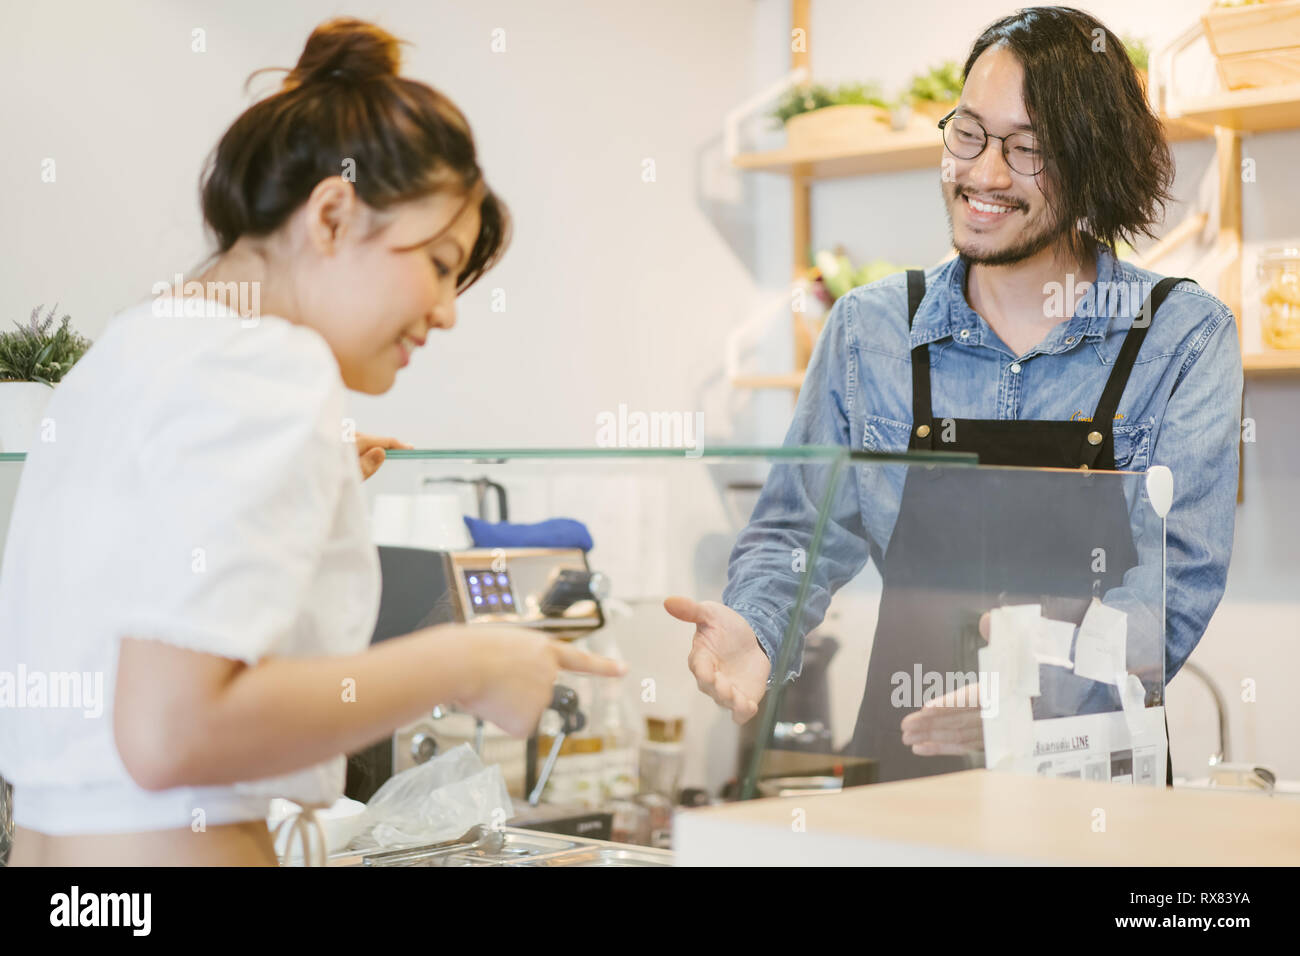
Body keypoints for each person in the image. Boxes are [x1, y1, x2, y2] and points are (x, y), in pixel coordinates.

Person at [0, 17, 622, 866]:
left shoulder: (130, 352)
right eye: (440, 264)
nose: (447, 311)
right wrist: (465, 662)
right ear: (331, 215)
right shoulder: (269, 364)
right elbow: (172, 732)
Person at [668, 7, 1241, 784]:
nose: (984, 173)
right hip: (907, 759)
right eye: (967, 133)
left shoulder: (1181, 336)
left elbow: (1174, 586)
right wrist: (759, 631)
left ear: (1094, 163)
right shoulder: (869, 329)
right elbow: (794, 534)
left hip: (1091, 780)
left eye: (1027, 149)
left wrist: (1031, 695)